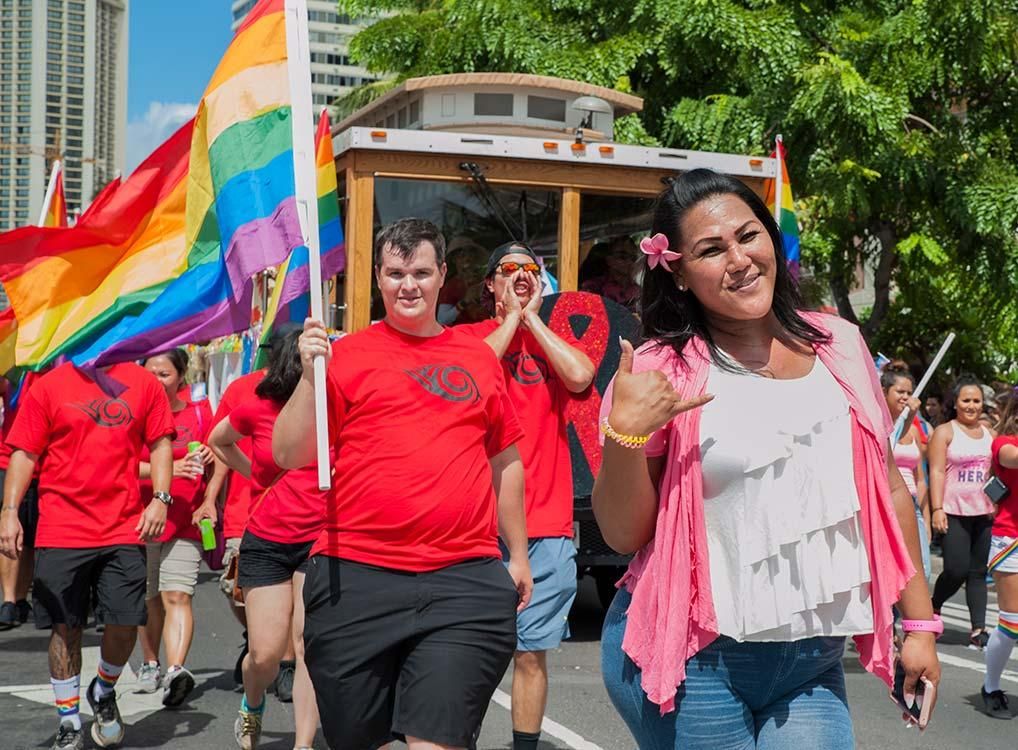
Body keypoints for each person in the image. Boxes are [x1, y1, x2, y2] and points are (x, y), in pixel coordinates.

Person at [593, 169, 940, 748]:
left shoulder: (841, 346)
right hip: (691, 656)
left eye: (748, 236)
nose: (739, 259)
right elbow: (624, 534)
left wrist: (922, 624)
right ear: (676, 271)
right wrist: (624, 437)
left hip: (811, 663)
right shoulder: (660, 369)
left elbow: (890, 489)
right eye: (710, 249)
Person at [273, 217, 534, 750]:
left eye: (419, 272)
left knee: (436, 740)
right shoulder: (344, 357)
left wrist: (520, 554)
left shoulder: (479, 359)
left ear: (441, 275)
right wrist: (308, 375)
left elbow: (505, 462)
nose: (407, 285)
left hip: (463, 578)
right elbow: (289, 453)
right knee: (360, 738)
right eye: (395, 273)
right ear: (377, 277)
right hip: (357, 577)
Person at [459, 241, 595, 750]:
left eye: (530, 270)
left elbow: (581, 377)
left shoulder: (548, 342)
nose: (521, 275)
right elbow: (471, 371)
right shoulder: (469, 337)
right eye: (508, 269)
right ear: (490, 285)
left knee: (531, 653)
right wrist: (511, 323)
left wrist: (534, 321)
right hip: (475, 526)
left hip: (547, 524)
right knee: (468, 651)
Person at [0, 362, 174, 750]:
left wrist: (161, 499)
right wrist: (9, 512)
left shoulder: (143, 382)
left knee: (125, 622)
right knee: (65, 626)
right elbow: (25, 453)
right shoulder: (48, 385)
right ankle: (68, 718)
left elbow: (161, 442)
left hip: (124, 526)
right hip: (63, 527)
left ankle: (104, 688)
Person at [208, 327, 324, 750]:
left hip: (320, 541)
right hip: (268, 540)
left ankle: (304, 743)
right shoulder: (256, 405)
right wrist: (252, 474)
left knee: (307, 644)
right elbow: (218, 441)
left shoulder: (334, 407)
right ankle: (252, 701)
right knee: (266, 654)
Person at [205, 335, 298, 699]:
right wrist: (214, 496)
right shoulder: (245, 391)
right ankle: (260, 642)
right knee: (237, 590)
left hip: (304, 520)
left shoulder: (322, 392)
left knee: (296, 597)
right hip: (248, 512)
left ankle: (288, 663)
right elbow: (217, 443)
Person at [135, 349, 224, 707]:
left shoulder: (199, 413)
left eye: (165, 374)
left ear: (181, 376)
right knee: (148, 598)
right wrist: (172, 465)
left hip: (186, 518)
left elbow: (222, 457)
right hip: (139, 519)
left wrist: (209, 495)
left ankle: (175, 670)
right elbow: (121, 463)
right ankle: (150, 662)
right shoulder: (131, 414)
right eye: (150, 373)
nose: (156, 381)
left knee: (178, 595)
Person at [929, 375, 996, 649]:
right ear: (955, 403)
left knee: (978, 573)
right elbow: (935, 471)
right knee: (956, 570)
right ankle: (934, 605)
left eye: (976, 401)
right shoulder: (945, 431)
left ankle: (978, 630)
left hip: (984, 512)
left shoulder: (989, 433)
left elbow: (995, 472)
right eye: (966, 400)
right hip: (953, 511)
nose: (971, 405)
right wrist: (936, 508)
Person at [983, 391, 1018, 718]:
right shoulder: (1003, 443)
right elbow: (1011, 458)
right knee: (1013, 622)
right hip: (1011, 540)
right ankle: (991, 686)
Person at [0, 372, 42, 629]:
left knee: (31, 539)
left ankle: (21, 596)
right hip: (10, 461)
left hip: (50, 466)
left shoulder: (67, 364)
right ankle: (8, 600)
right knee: (10, 529)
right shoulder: (17, 369)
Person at [882, 368, 931, 581]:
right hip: (886, 502)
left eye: (909, 392)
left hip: (912, 505)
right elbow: (890, 436)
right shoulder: (878, 422)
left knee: (923, 571)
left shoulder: (912, 430)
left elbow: (921, 478)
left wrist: (926, 519)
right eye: (900, 391)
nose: (905, 397)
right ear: (884, 392)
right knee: (891, 572)